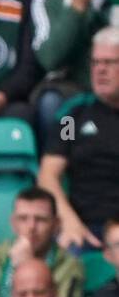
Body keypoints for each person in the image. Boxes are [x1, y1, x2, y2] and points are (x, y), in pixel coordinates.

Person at [31, 0, 119, 139]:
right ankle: (63, 160)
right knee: (54, 107)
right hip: (70, 94)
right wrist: (77, 6)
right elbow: (50, 59)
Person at [39, 26, 119, 249]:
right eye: (95, 63)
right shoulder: (72, 115)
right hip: (84, 226)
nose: (100, 70)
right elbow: (48, 174)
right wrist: (69, 220)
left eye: (110, 63)